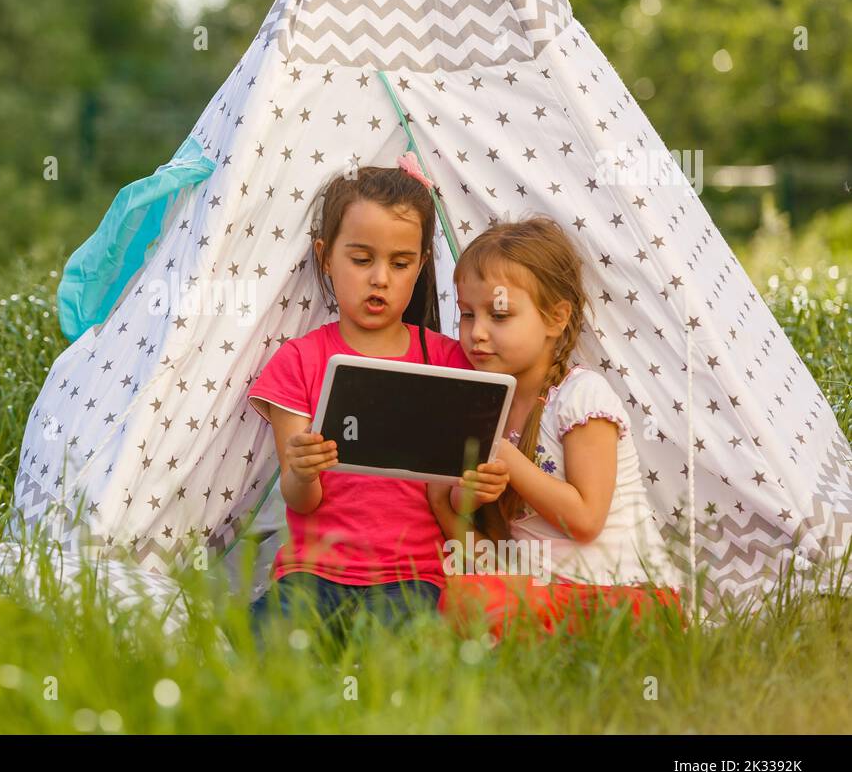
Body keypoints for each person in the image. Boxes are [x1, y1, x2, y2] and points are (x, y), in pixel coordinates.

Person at [245, 153, 509, 646]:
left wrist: (478, 486)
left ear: (422, 264)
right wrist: (301, 470)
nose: (380, 279)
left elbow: (453, 500)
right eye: (361, 259)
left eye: (400, 262)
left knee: (406, 658)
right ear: (326, 256)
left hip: (413, 577)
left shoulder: (450, 362)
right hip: (311, 572)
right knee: (273, 646)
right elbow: (302, 499)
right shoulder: (299, 360)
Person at [431, 216, 685, 639]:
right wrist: (449, 504)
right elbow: (492, 558)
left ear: (555, 318)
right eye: (467, 315)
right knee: (460, 596)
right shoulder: (485, 410)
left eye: (499, 315)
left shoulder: (581, 396)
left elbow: (585, 521)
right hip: (549, 595)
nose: (477, 333)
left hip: (628, 597)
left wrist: (511, 461)